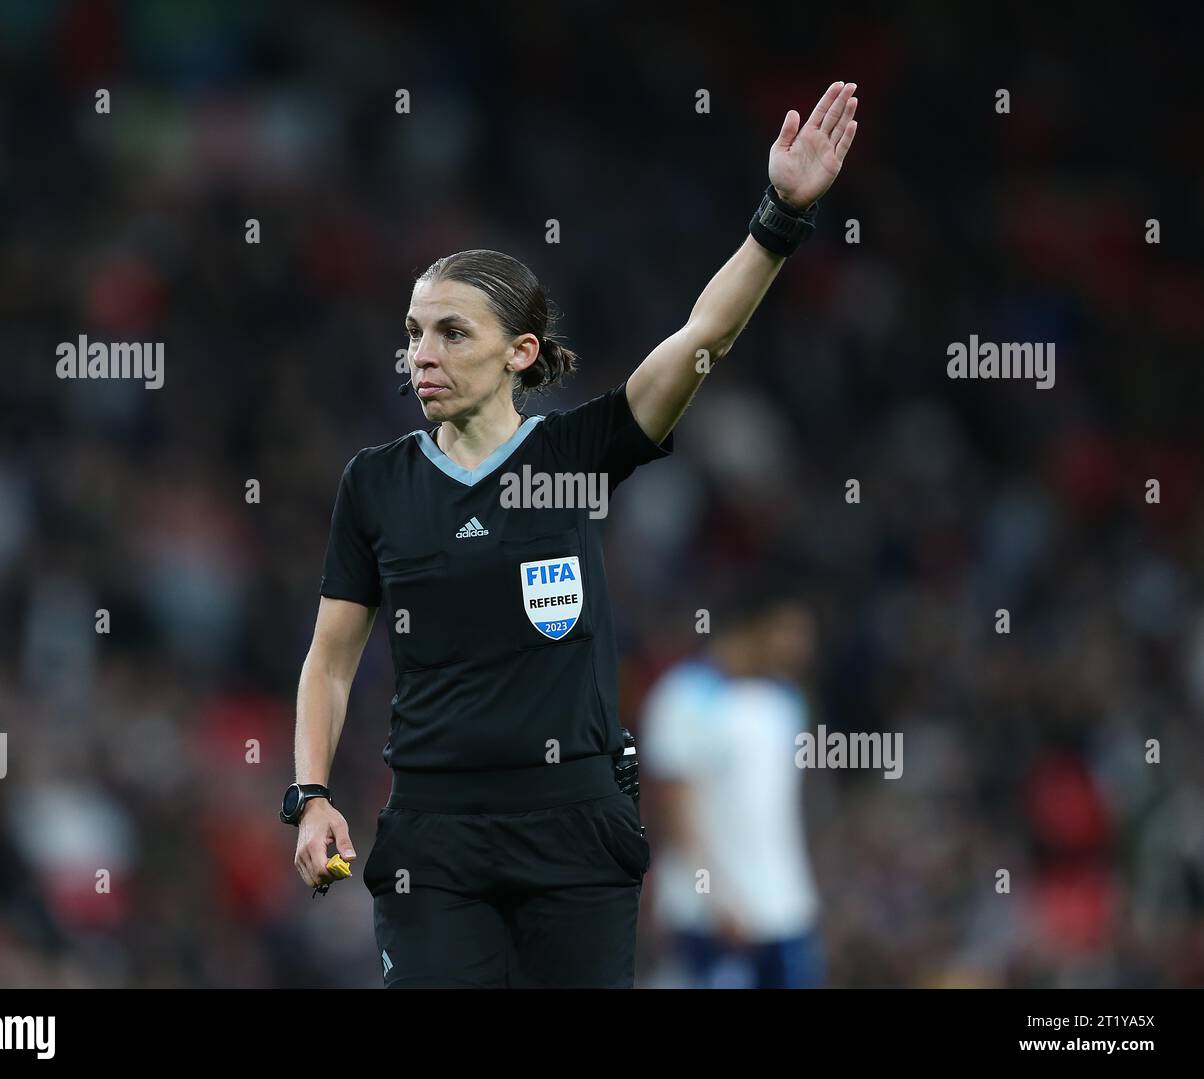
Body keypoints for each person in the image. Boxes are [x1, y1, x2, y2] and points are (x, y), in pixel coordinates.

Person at [281, 81, 860, 987]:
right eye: (412, 334)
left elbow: (705, 333)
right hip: (435, 836)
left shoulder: (578, 452)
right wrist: (311, 795)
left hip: (576, 833)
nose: (421, 353)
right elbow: (330, 660)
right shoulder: (377, 484)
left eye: (450, 332)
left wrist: (780, 215)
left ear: (519, 351)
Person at [642, 591, 825, 988]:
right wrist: (718, 897)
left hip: (783, 906)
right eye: (789, 633)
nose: (800, 649)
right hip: (708, 912)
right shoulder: (686, 695)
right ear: (754, 626)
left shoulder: (785, 700)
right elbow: (675, 812)